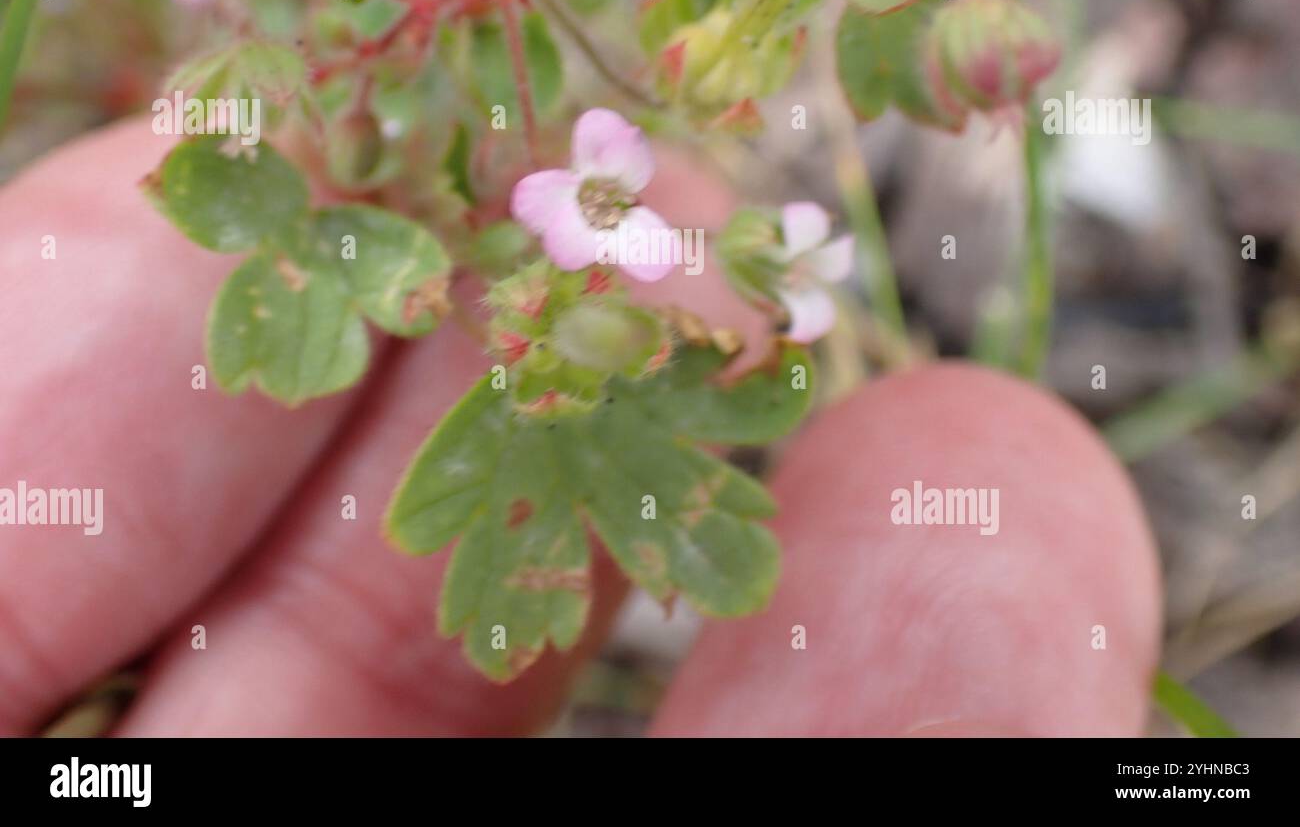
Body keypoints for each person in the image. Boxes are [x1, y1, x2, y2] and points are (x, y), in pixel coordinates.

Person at [0, 120, 1161, 737]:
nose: (609, 206)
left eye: (610, 202)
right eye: (600, 202)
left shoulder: (617, 243)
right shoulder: (564, 223)